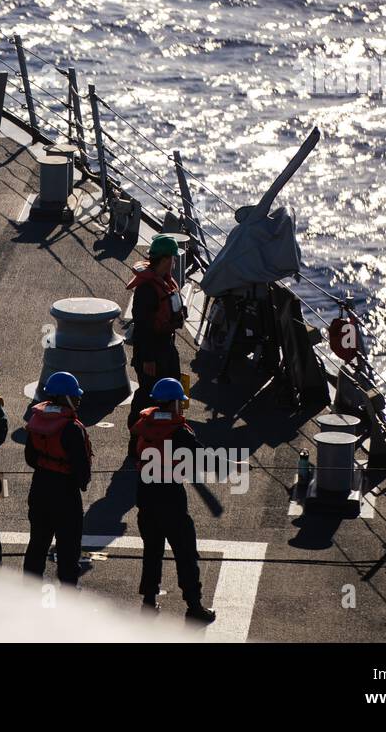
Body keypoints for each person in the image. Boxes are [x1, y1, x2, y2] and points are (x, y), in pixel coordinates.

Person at [131, 377, 216, 624]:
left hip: (146, 497)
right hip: (171, 498)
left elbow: (133, 453)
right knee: (185, 553)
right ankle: (194, 606)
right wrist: (239, 466)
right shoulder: (179, 432)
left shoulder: (144, 425)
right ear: (175, 403)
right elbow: (206, 459)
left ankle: (148, 602)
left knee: (152, 551)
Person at [23, 371, 92, 586]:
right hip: (65, 493)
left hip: (40, 487)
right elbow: (82, 469)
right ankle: (68, 592)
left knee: (37, 544)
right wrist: (81, 483)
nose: (78, 399)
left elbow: (30, 458)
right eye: (75, 395)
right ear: (64, 397)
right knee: (68, 548)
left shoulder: (37, 420)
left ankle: (29, 591)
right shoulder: (72, 428)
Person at [126, 234, 186, 450]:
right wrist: (148, 358)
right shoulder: (147, 290)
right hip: (151, 351)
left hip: (166, 346)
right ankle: (137, 441)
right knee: (148, 395)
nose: (175, 261)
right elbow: (142, 327)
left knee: (174, 388)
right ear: (166, 259)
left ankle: (170, 435)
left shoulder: (166, 282)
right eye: (173, 257)